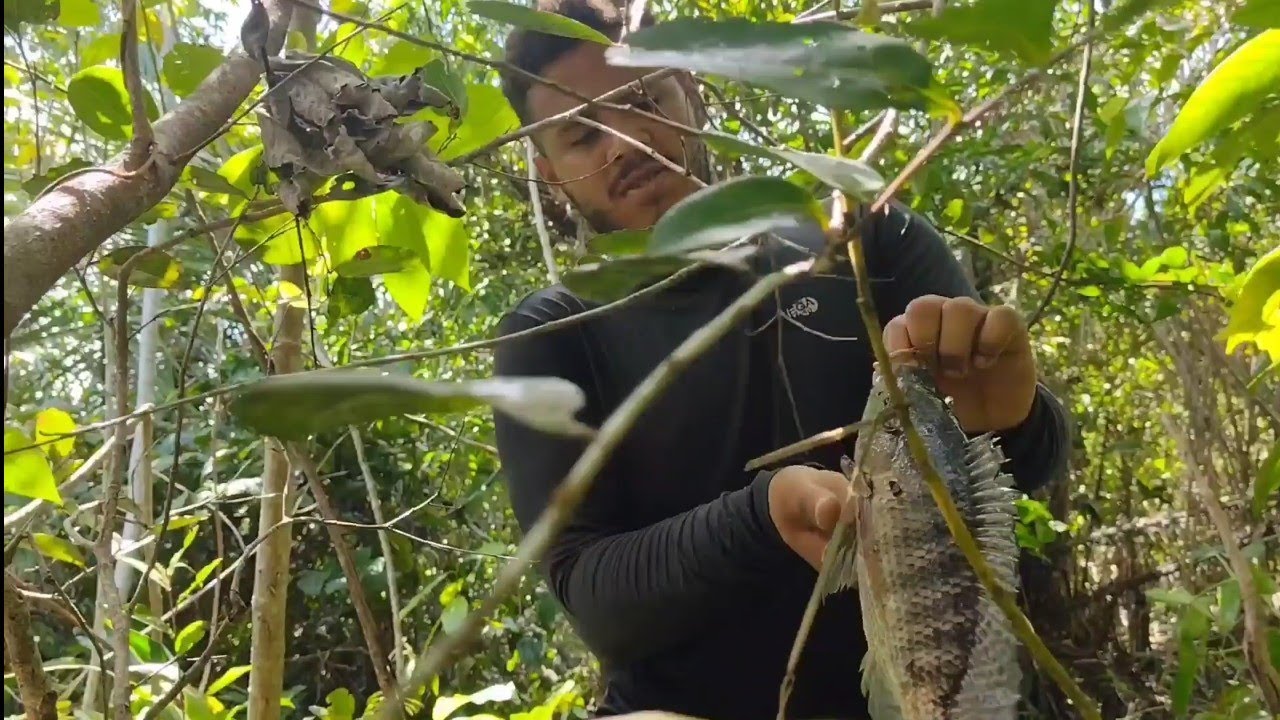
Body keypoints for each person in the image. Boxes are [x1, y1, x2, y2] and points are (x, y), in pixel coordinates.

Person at [489, 1, 1071, 718]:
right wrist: (759, 518)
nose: (625, 141)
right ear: (549, 174)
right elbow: (595, 598)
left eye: (641, 99)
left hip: (958, 684)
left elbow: (1025, 466)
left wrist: (1014, 414)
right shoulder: (551, 333)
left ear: (691, 90)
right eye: (582, 134)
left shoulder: (864, 235)